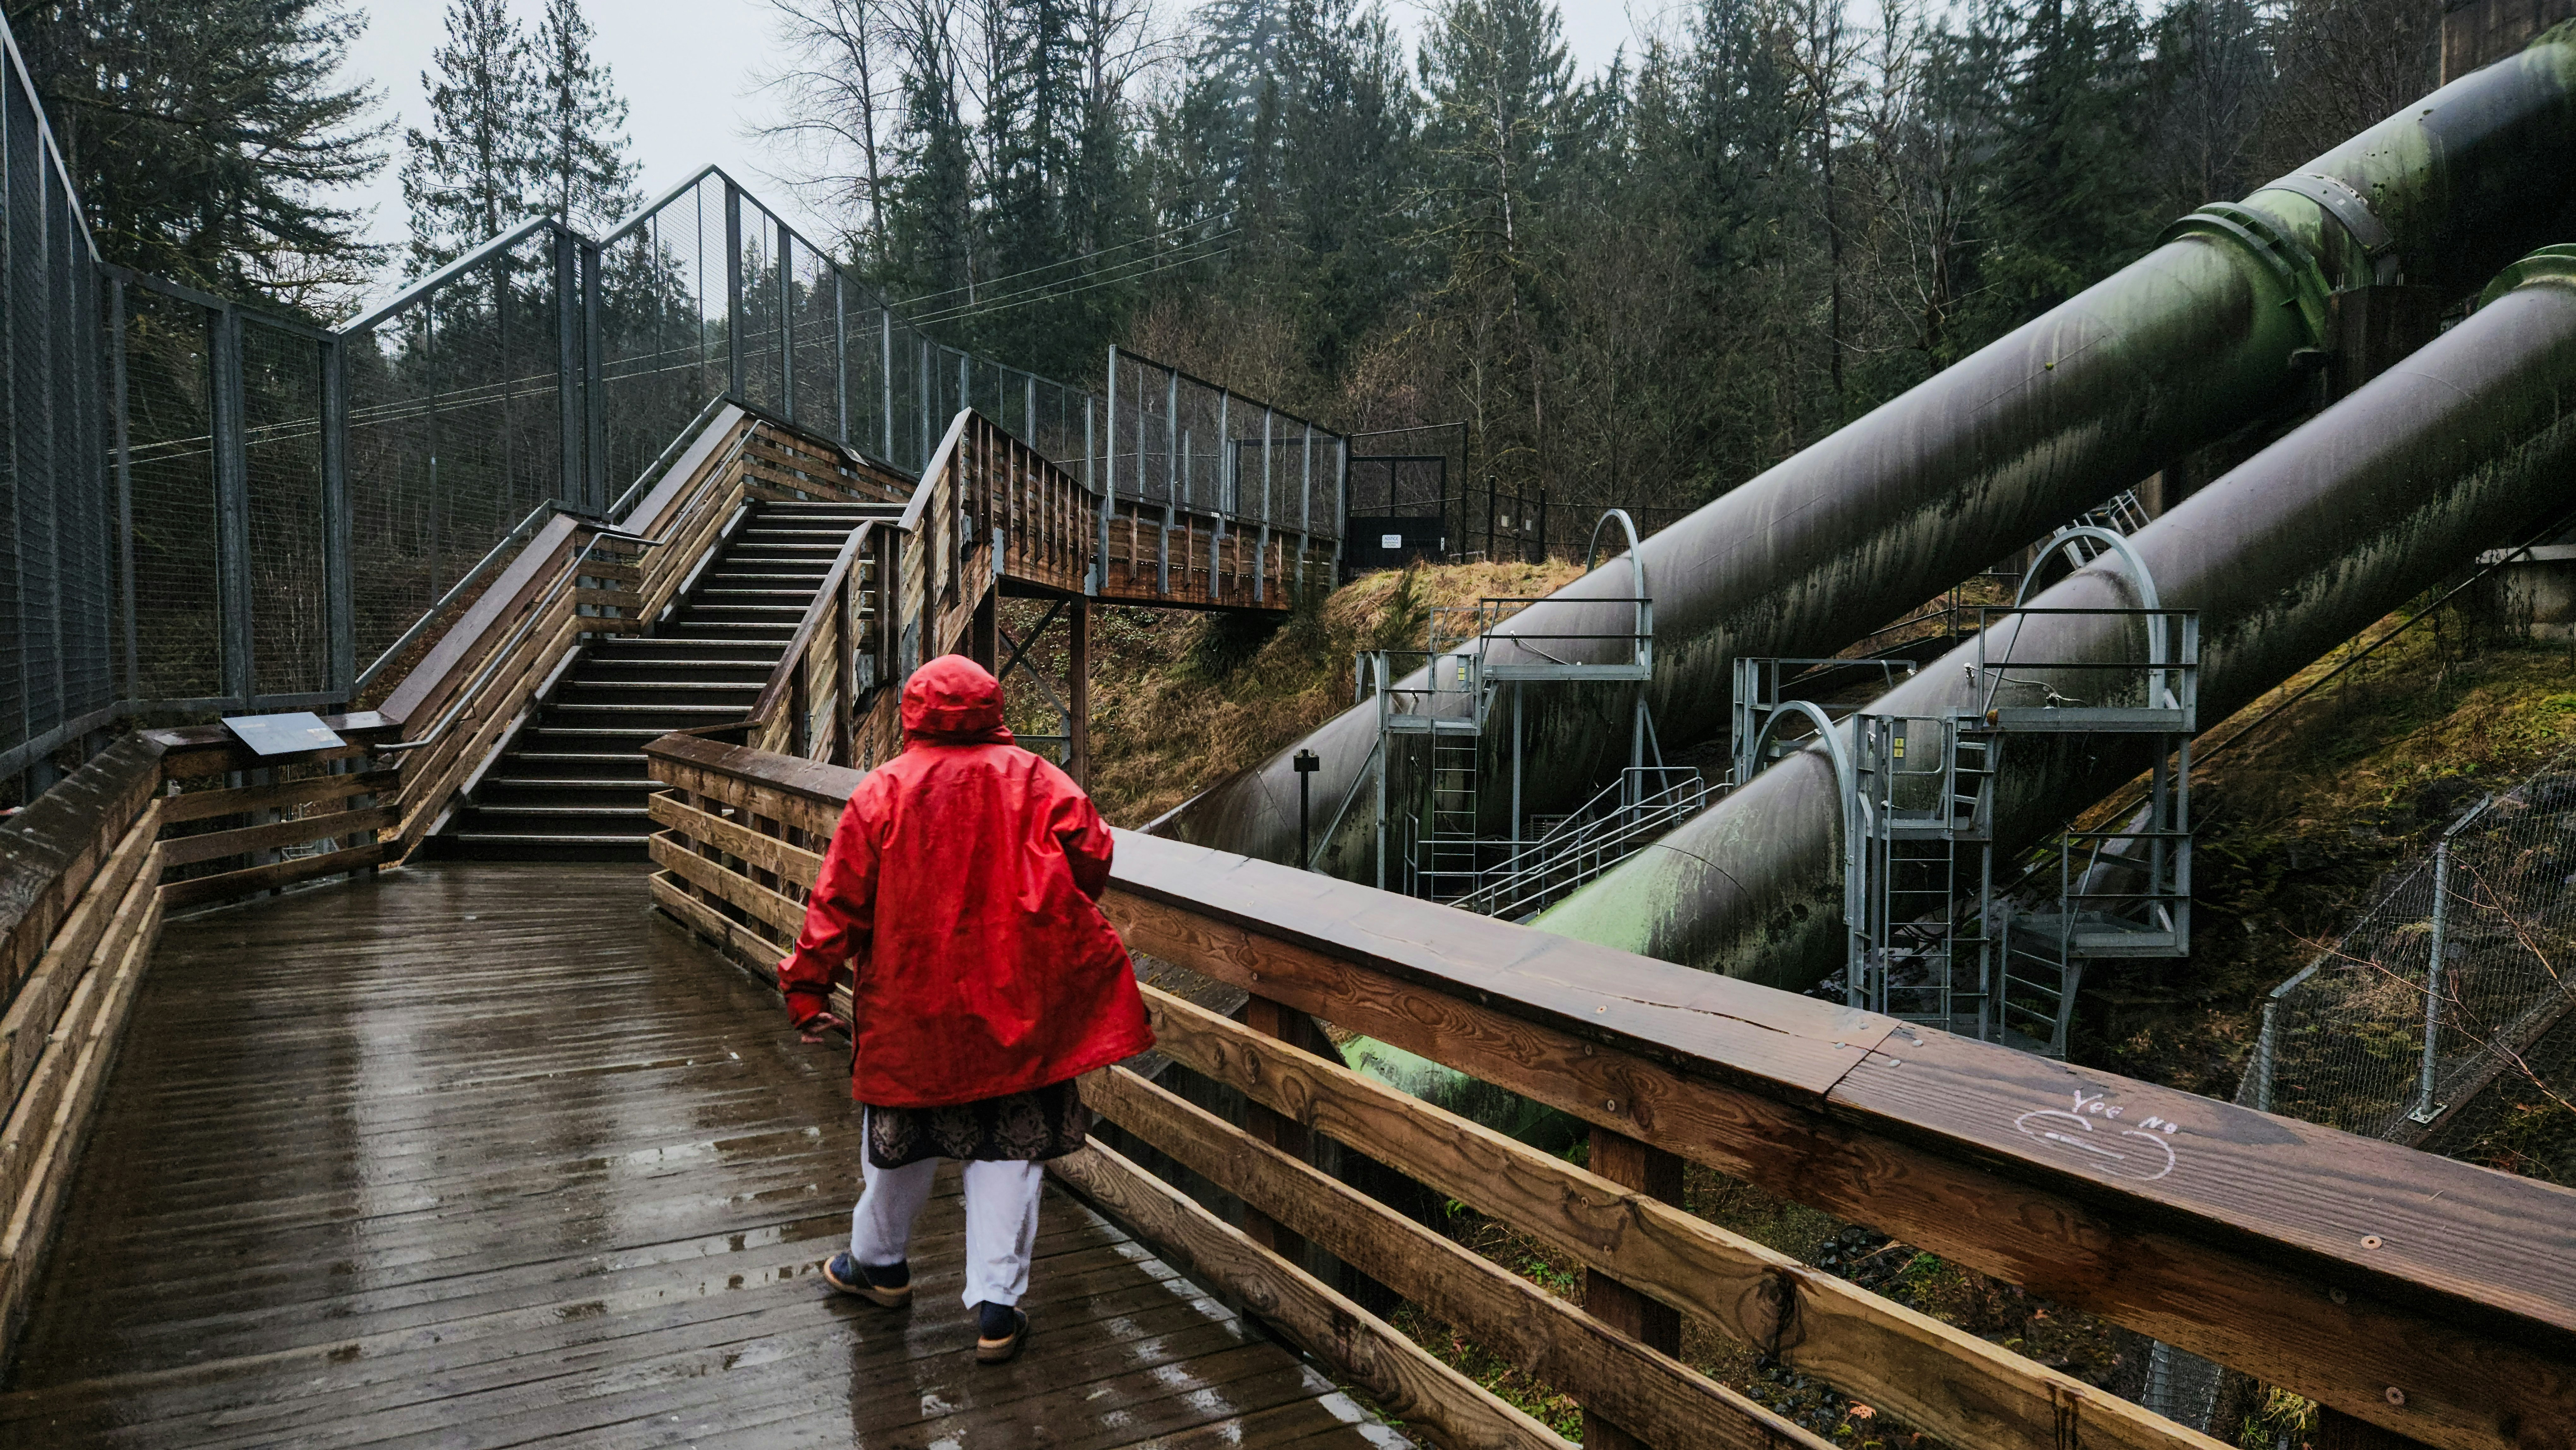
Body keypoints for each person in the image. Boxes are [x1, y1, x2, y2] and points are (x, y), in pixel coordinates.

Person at [778, 654, 1153, 1365]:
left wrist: (806, 989)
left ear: (913, 713)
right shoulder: (1037, 780)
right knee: (1009, 1155)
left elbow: (838, 904)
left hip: (912, 1009)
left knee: (897, 1145)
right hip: (1019, 1003)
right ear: (992, 709)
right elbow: (1094, 856)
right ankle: (996, 1310)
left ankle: (879, 1265)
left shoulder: (882, 792)